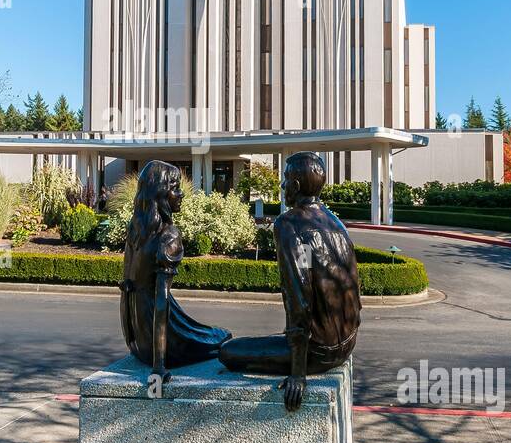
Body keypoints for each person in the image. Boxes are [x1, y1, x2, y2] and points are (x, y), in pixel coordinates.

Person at [218, 152, 361, 410]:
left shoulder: (289, 225)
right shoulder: (336, 222)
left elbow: (300, 295)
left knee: (227, 351)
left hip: (319, 353)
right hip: (347, 344)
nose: (282, 186)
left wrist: (298, 373)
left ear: (295, 186)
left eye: (285, 179)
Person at [120, 160, 230, 381]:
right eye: (175, 187)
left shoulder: (135, 229)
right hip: (160, 344)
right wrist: (158, 365)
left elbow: (126, 287)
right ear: (160, 193)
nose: (181, 194)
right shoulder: (168, 235)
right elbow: (162, 301)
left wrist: (133, 341)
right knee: (222, 338)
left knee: (210, 333)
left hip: (139, 342)